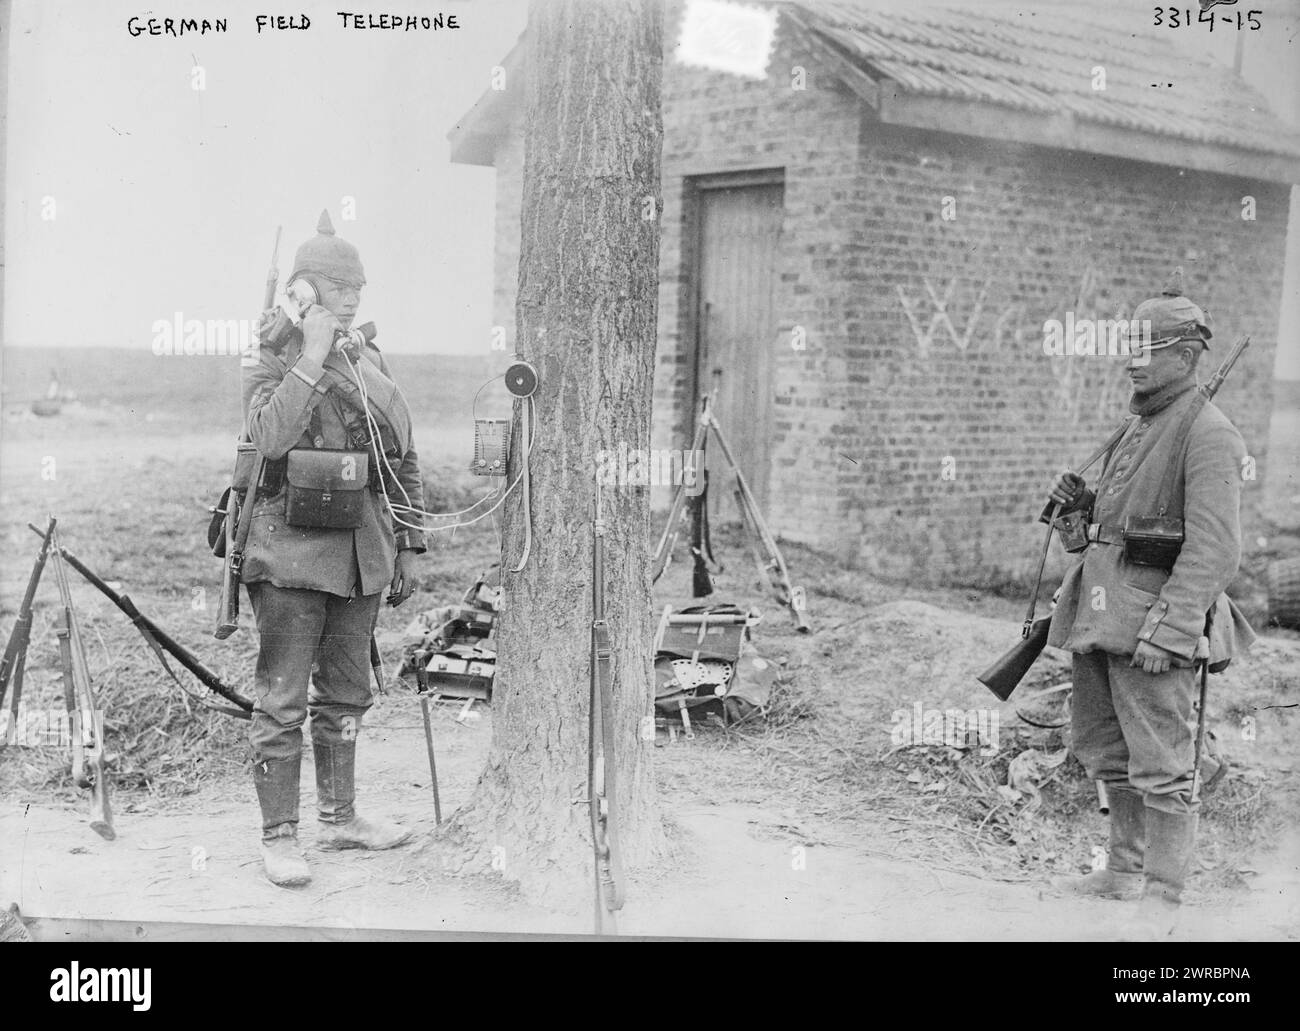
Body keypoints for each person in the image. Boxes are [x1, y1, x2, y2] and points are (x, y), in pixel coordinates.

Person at [1044, 271, 1254, 937]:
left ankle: (1164, 898)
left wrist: (1171, 629)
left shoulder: (1209, 433)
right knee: (1105, 747)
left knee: (1163, 761)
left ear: (1186, 358)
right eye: (1129, 347)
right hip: (1101, 615)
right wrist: (1079, 508)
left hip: (1152, 626)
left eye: (1146, 348)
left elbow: (1215, 549)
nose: (1131, 360)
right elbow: (1113, 528)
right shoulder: (1138, 425)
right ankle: (1123, 871)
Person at [241, 210, 426, 887]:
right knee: (283, 699)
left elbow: (401, 455)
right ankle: (279, 836)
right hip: (289, 555)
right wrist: (312, 356)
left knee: (347, 694)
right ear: (304, 290)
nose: (351, 300)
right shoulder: (271, 354)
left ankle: (341, 817)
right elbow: (268, 438)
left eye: (357, 289)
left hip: (360, 556)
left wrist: (410, 541)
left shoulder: (368, 359)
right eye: (339, 288)